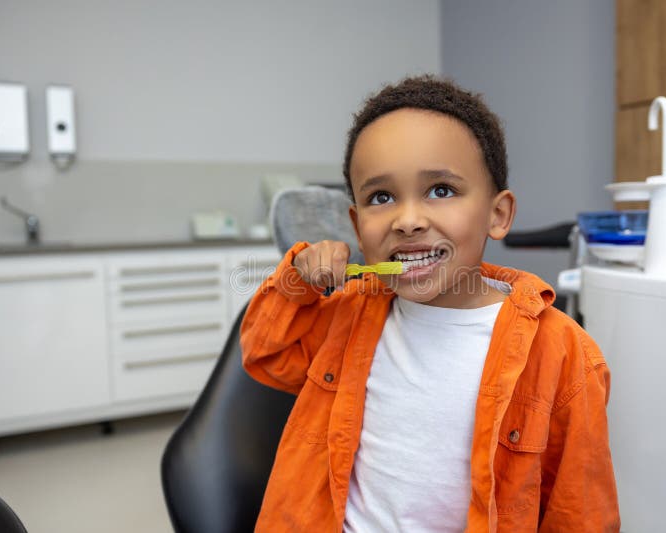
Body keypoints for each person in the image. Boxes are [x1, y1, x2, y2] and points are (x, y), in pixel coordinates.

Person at [240, 75, 620, 532]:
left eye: (440, 189)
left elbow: (581, 515)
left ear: (497, 215)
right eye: (382, 197)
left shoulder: (566, 356)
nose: (408, 220)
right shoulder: (347, 313)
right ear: (358, 229)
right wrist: (296, 281)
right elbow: (266, 354)